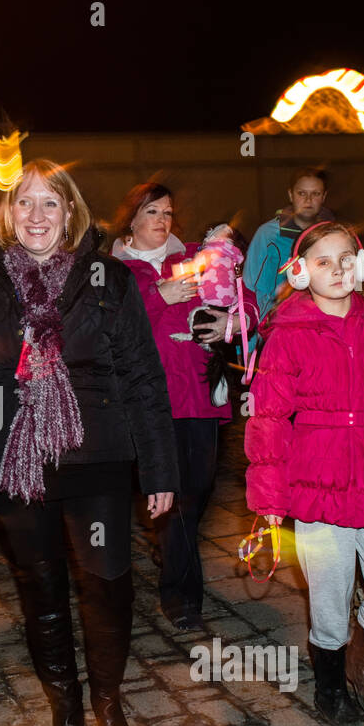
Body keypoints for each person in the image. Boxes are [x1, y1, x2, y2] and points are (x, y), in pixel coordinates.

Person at [0, 160, 178, 726]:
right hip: (15, 456)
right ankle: (64, 704)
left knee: (107, 582)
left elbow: (142, 373)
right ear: (9, 213)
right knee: (40, 587)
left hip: (96, 452)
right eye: (25, 202)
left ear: (70, 213)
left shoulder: (106, 277)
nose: (36, 215)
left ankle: (107, 700)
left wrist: (160, 469)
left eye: (50, 203)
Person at [246, 222, 364, 726]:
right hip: (316, 482)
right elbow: (269, 419)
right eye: (324, 261)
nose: (337, 270)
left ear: (363, 263)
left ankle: (362, 658)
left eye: (346, 259)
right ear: (301, 271)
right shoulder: (287, 335)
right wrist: (270, 496)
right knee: (329, 593)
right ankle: (329, 684)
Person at [112, 183, 257, 631]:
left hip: (199, 394)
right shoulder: (114, 271)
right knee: (174, 499)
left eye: (168, 212)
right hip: (148, 403)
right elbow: (109, 329)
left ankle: (171, 549)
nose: (162, 220)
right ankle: (181, 596)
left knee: (197, 492)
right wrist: (159, 297)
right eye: (151, 211)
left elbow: (247, 300)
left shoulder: (197, 256)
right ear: (131, 219)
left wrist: (231, 322)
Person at [243, 168, 334, 327]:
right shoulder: (268, 235)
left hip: (323, 327)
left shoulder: (335, 236)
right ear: (291, 195)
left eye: (315, 193)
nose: (308, 200)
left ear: (324, 196)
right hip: (276, 326)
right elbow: (251, 289)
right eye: (302, 193)